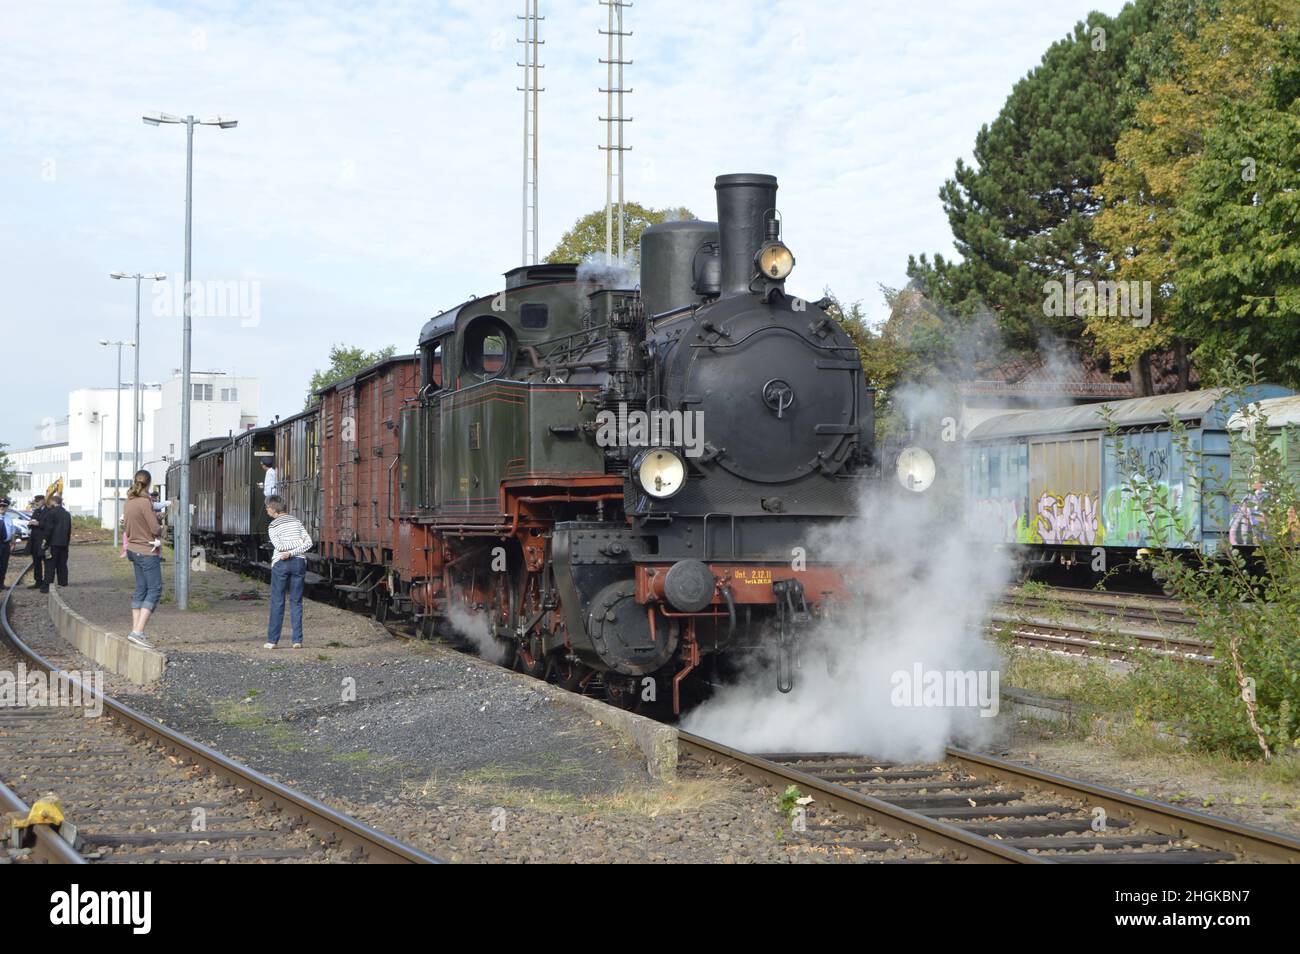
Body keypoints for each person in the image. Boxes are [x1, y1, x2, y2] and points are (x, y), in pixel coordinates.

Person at [122, 470, 164, 648]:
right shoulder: (145, 502)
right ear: (148, 483)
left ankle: (135, 630)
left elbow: (128, 527)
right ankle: (138, 631)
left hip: (133, 549)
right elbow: (154, 529)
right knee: (155, 589)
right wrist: (161, 523)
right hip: (147, 551)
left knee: (141, 589)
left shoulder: (128, 501)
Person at [264, 495, 311, 649]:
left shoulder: (272, 526)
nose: (266, 511)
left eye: (267, 508)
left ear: (273, 509)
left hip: (281, 563)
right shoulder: (296, 522)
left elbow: (280, 546)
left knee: (278, 602)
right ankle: (297, 640)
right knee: (296, 602)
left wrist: (289, 552)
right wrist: (297, 547)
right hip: (299, 563)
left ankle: (272, 641)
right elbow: (309, 543)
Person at [41, 495, 72, 591]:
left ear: (54, 502)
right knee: (62, 564)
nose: (49, 504)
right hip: (64, 543)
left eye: (50, 502)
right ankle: (63, 583)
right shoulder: (67, 514)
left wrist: (45, 540)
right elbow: (69, 530)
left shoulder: (52, 513)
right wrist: (66, 542)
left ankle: (47, 586)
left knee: (50, 564)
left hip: (53, 543)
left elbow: (49, 529)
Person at [26, 495, 47, 589]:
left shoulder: (48, 511)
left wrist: (38, 524)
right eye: (35, 501)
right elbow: (31, 522)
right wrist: (30, 523)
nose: (36, 503)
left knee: (46, 562)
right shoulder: (36, 511)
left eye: (38, 501)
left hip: (43, 541)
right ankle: (38, 581)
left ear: (43, 501)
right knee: (36, 562)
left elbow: (49, 525)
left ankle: (46, 582)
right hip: (34, 542)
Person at [0, 498, 16, 588]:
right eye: (0, 506)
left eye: (4, 506)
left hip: (6, 545)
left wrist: (13, 543)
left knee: (4, 565)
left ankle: (1, 583)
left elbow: (12, 531)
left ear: (7, 507)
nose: (2, 507)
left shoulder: (8, 517)